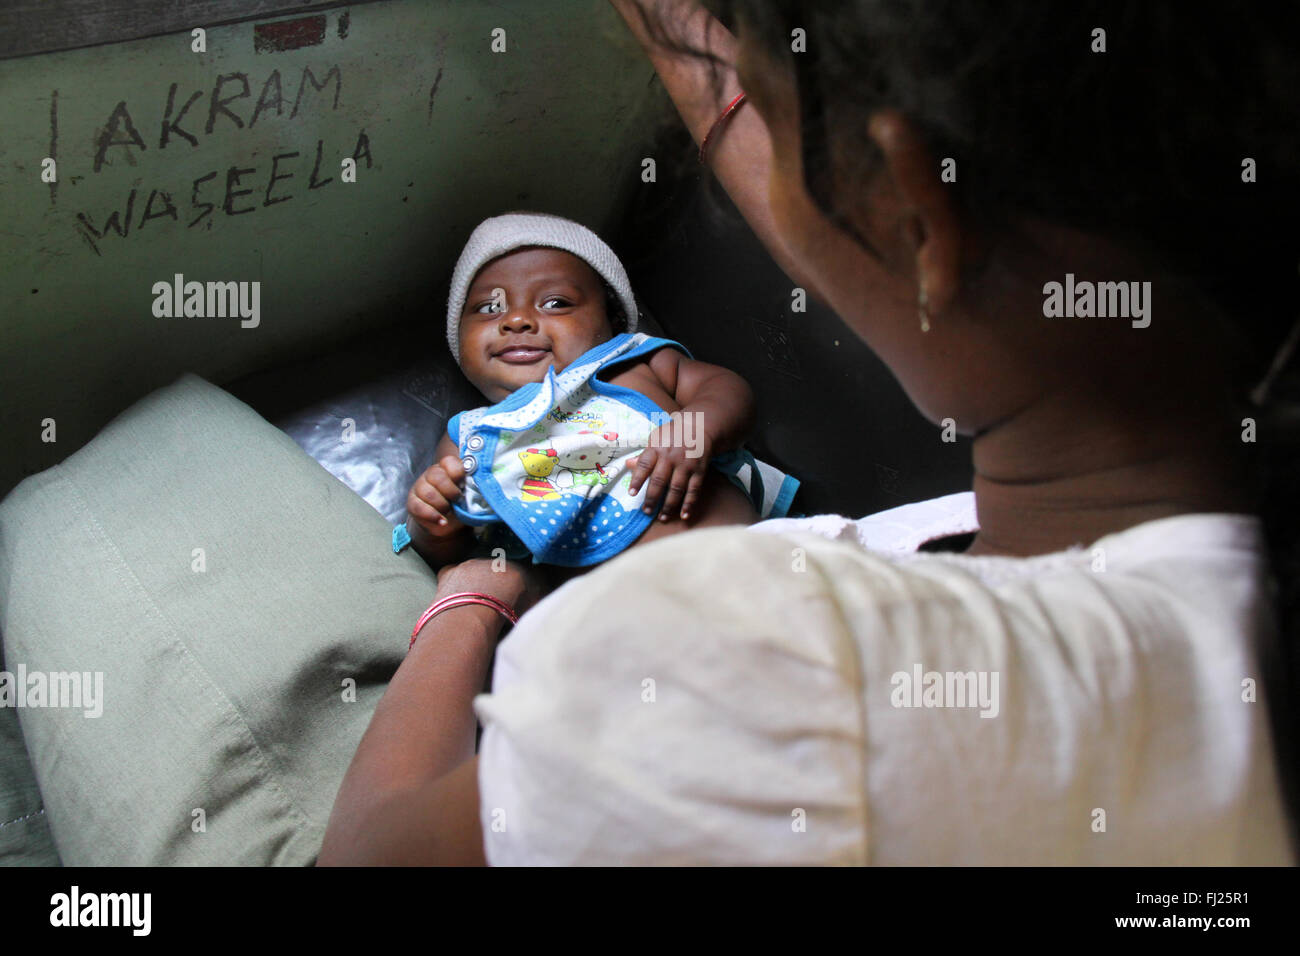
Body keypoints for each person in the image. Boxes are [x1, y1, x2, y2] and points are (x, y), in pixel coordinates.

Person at [318, 0, 1300, 864]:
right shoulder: (1218, 594)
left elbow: (366, 854)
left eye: (763, 110)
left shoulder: (759, 663)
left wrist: (466, 605)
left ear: (919, 210)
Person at [395, 211, 799, 573]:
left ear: (612, 320)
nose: (516, 319)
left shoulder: (634, 363)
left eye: (554, 303)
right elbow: (454, 550)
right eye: (488, 308)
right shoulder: (471, 436)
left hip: (738, 571)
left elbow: (727, 389)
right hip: (612, 632)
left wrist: (695, 430)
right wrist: (432, 524)